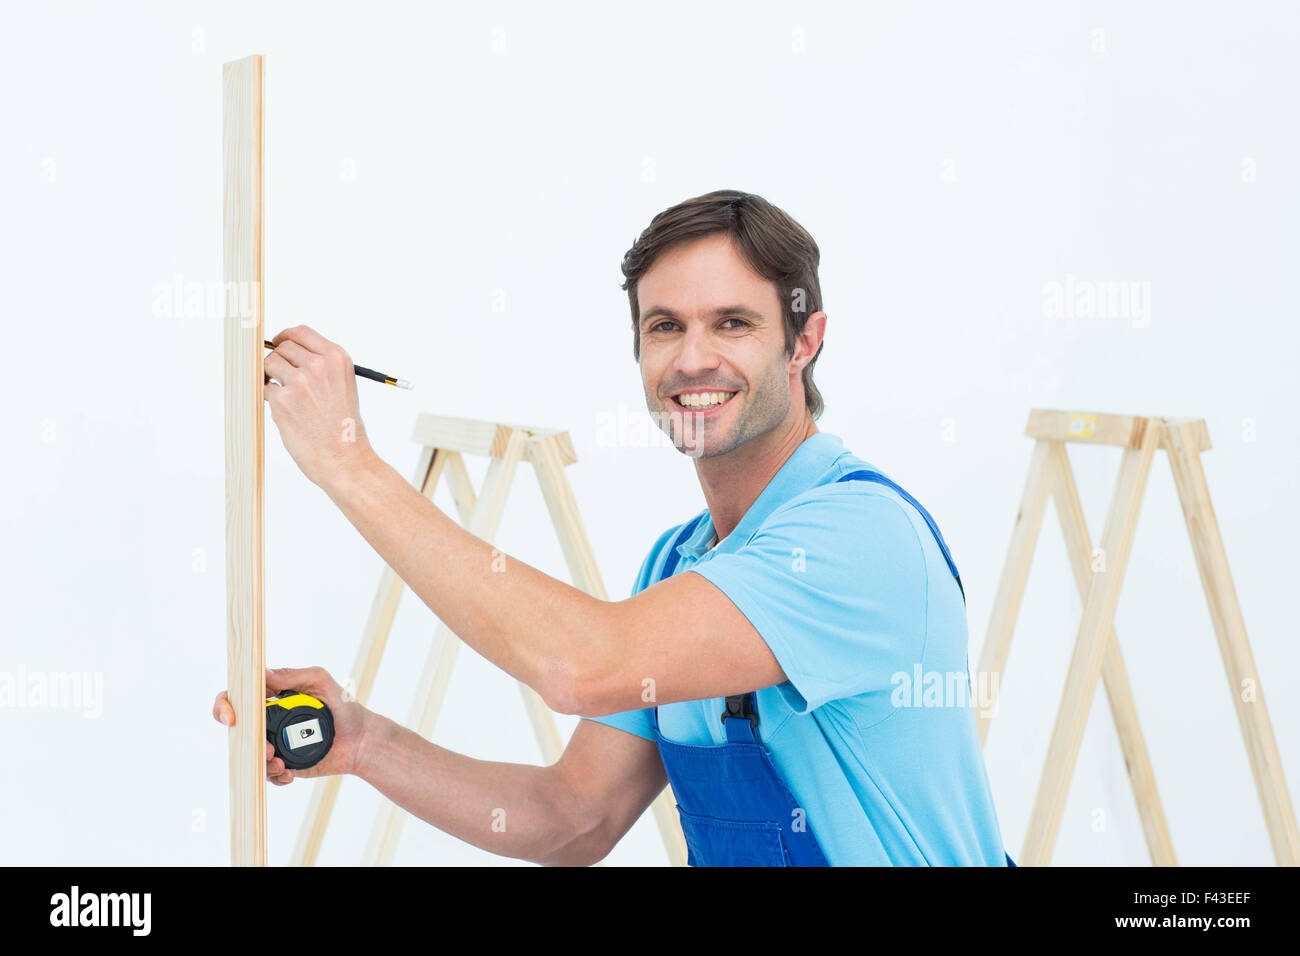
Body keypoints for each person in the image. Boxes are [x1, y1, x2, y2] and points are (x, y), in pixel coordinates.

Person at [213, 189, 1013, 866]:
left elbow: (579, 667)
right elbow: (573, 817)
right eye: (665, 326)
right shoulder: (680, 565)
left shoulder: (858, 536)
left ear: (805, 341)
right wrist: (365, 743)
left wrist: (349, 465)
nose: (692, 359)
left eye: (732, 323)